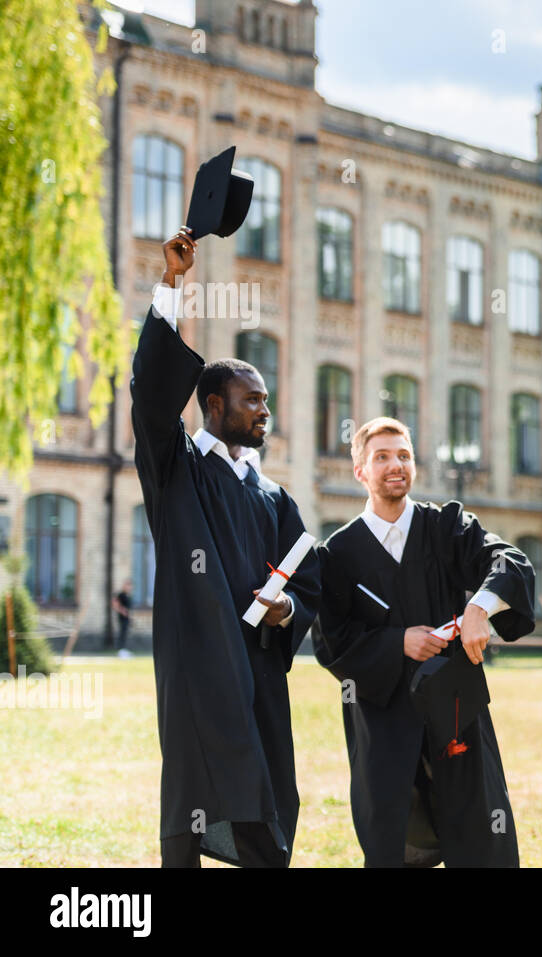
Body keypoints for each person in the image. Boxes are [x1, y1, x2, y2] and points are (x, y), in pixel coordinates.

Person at [131, 227, 320, 868]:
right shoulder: (175, 467)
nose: (264, 411)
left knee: (268, 804)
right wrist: (173, 284)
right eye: (252, 400)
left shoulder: (271, 495)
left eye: (266, 400)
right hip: (197, 666)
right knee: (191, 804)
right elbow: (152, 395)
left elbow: (308, 578)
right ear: (214, 405)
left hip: (259, 671)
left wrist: (286, 611)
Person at [312, 417, 535, 867]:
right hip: (383, 716)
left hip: (455, 708)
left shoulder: (446, 526)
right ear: (360, 471)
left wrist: (480, 607)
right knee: (393, 839)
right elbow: (331, 643)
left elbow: (509, 561)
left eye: (404, 455)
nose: (396, 465)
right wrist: (398, 643)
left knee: (481, 832)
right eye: (381, 457)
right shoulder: (339, 553)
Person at [110, 579, 133, 657]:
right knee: (122, 634)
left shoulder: (127, 595)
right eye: (127, 586)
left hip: (126, 618)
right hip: (122, 618)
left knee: (125, 633)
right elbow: (114, 603)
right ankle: (120, 650)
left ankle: (123, 650)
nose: (129, 588)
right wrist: (122, 611)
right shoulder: (121, 595)